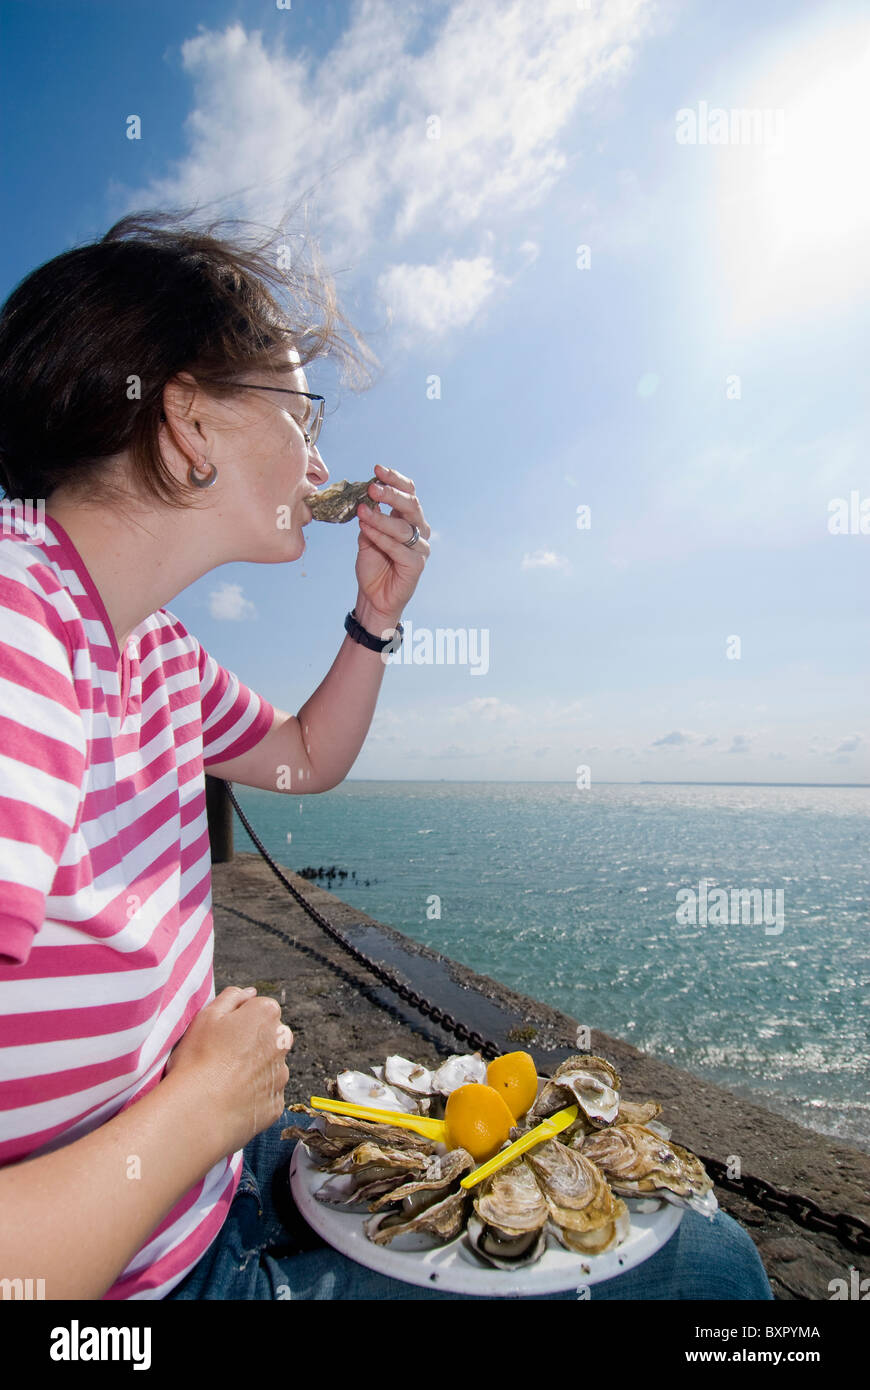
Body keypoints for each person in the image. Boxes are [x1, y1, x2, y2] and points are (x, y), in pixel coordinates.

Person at [0, 211, 771, 1302]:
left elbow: (304, 757)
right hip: (157, 1277)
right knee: (708, 1279)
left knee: (698, 1248)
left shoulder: (154, 647)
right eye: (302, 410)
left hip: (211, 1196)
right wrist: (195, 1111)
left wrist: (371, 620)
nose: (322, 458)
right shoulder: (17, 621)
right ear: (186, 423)